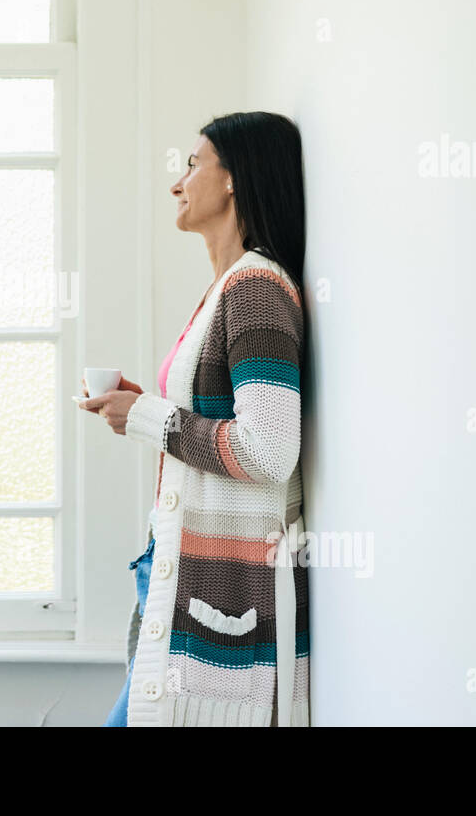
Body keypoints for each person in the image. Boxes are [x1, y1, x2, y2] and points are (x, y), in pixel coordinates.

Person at [82, 112, 309, 727]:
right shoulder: (229, 286)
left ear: (235, 179)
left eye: (192, 164)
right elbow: (221, 421)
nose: (177, 184)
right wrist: (143, 407)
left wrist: (149, 417)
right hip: (177, 561)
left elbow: (267, 451)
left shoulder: (256, 289)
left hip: (215, 576)